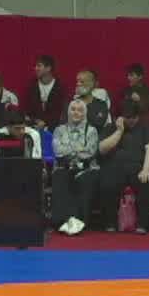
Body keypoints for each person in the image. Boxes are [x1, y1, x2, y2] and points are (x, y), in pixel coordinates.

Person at [97, 100, 149, 233]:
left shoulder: (146, 127)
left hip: (137, 167)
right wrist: (119, 131)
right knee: (107, 183)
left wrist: (146, 169)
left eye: (134, 118)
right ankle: (110, 223)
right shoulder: (111, 127)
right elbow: (102, 149)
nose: (131, 121)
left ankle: (142, 224)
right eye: (128, 118)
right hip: (114, 167)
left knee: (146, 181)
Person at [50, 98, 103, 236]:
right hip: (64, 166)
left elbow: (90, 152)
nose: (76, 113)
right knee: (59, 176)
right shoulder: (59, 130)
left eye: (80, 110)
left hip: (87, 168)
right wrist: (78, 150)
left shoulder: (91, 131)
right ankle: (63, 220)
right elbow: (58, 151)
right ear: (68, 112)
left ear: (85, 113)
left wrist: (69, 149)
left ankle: (79, 220)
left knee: (85, 179)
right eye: (73, 109)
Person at [23, 55, 68, 129]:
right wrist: (35, 121)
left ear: (48, 68)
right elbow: (26, 110)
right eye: (35, 66)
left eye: (39, 66)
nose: (36, 68)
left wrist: (46, 123)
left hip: (55, 128)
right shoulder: (31, 86)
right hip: (33, 127)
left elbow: (61, 111)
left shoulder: (60, 87)